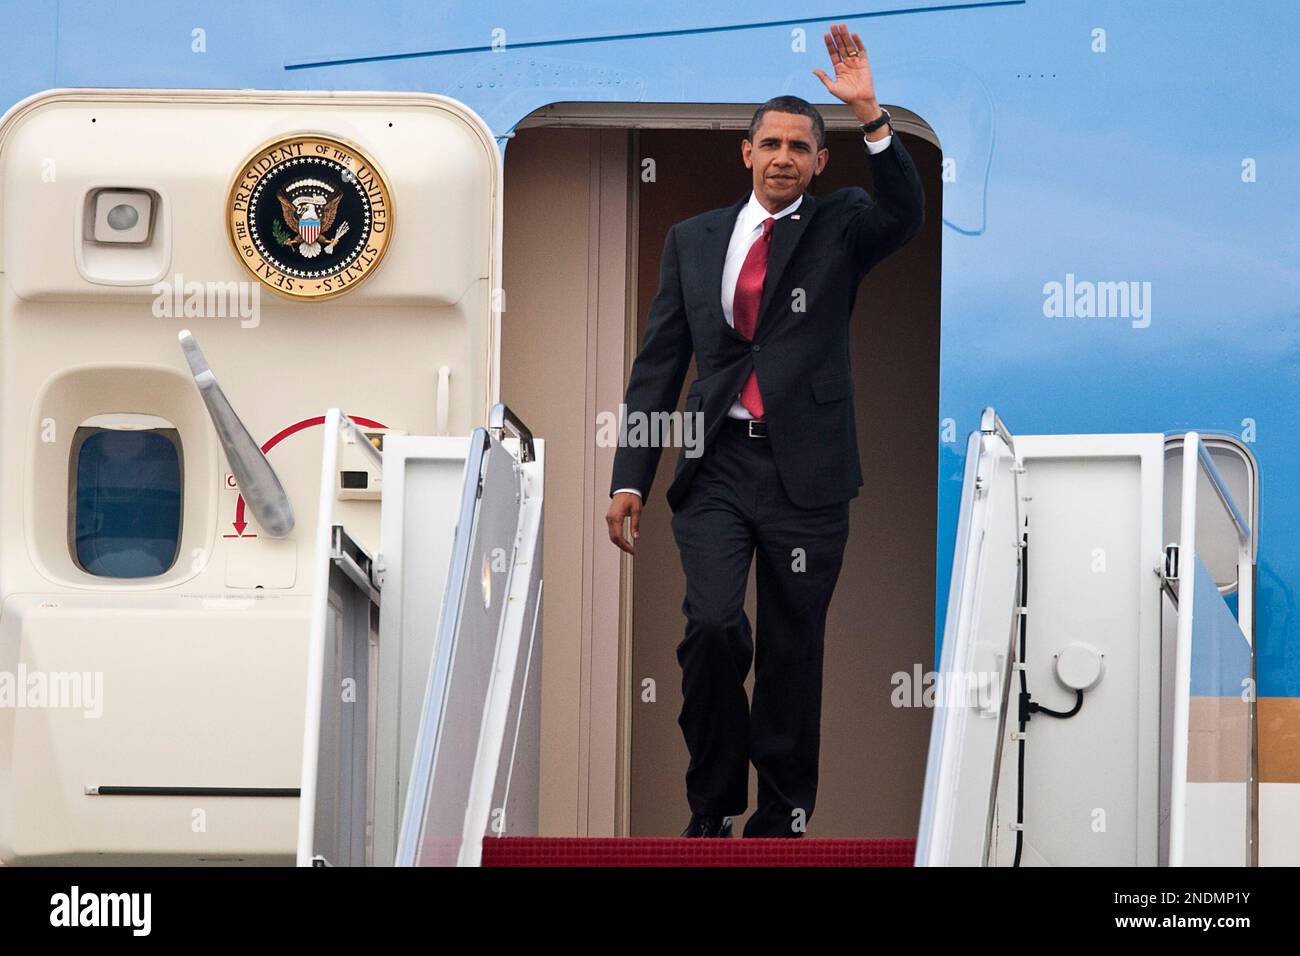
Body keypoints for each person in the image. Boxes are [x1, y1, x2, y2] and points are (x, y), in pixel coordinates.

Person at [606, 23, 924, 838]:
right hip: (716, 470)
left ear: (821, 162)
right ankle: (710, 805)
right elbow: (657, 366)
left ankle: (781, 813)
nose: (784, 156)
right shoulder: (694, 240)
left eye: (800, 146)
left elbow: (906, 212)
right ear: (745, 153)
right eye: (770, 143)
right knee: (713, 627)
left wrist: (872, 115)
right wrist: (629, 476)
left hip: (808, 477)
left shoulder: (841, 224)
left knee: (792, 648)